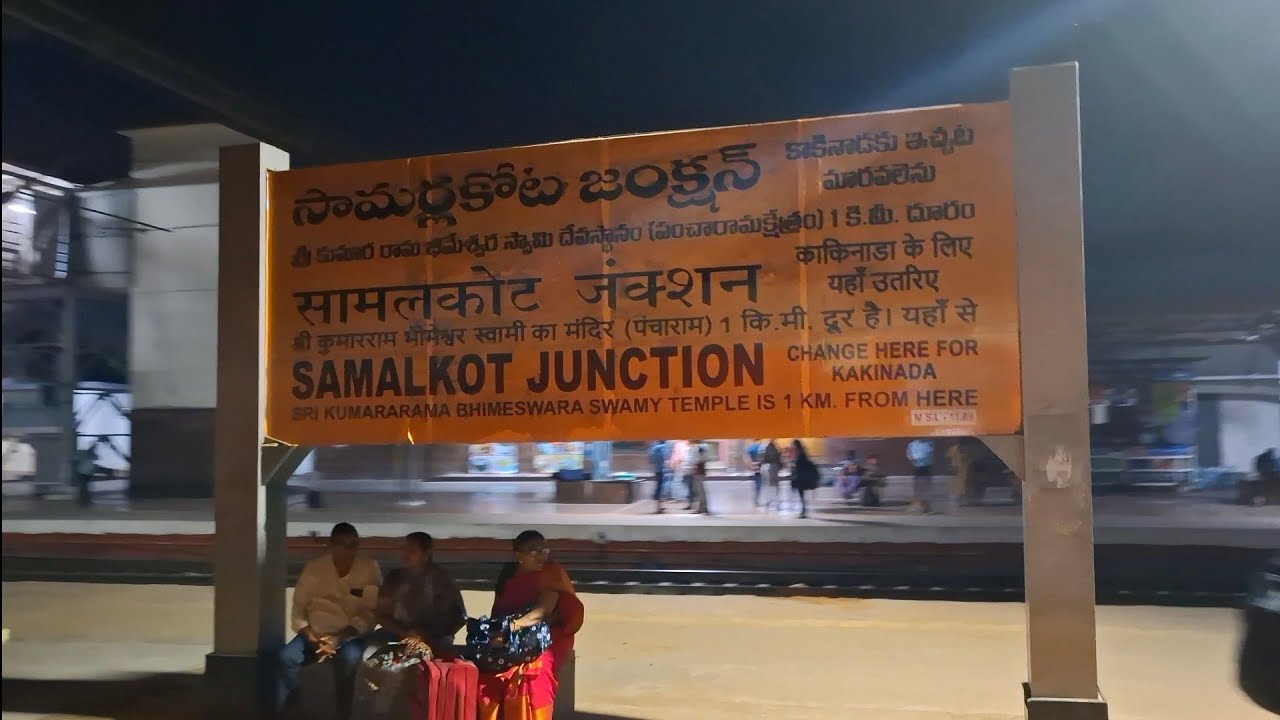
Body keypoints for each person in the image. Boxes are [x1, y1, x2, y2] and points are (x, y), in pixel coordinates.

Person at [277, 522, 382, 714]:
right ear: (333, 545)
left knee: (349, 660)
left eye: (354, 544)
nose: (350, 550)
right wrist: (310, 635)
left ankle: (343, 712)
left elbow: (370, 612)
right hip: (315, 634)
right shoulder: (315, 568)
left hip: (350, 635)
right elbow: (299, 608)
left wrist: (339, 639)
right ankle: (293, 708)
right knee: (286, 658)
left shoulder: (368, 568)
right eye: (344, 544)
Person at [480, 530, 585, 720]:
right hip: (512, 632)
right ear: (519, 555)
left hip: (549, 633)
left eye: (544, 549)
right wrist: (495, 633)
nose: (541, 554)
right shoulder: (508, 574)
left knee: (533, 671)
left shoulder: (551, 572)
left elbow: (542, 612)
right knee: (488, 671)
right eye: (533, 551)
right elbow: (498, 611)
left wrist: (511, 627)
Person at [371, 532, 467, 655]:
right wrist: (405, 632)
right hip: (398, 632)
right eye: (404, 550)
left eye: (412, 551)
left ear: (426, 553)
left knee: (442, 647)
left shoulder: (440, 580)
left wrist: (420, 634)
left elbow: (454, 618)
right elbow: (381, 614)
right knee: (370, 648)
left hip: (433, 636)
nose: (405, 555)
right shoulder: (394, 578)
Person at [790, 440, 820, 519]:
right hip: (802, 478)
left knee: (802, 495)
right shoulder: (801, 453)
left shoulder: (800, 454)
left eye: (793, 445)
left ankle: (803, 511)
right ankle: (803, 511)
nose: (792, 447)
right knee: (801, 496)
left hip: (801, 478)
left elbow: (799, 466)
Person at [906, 438, 935, 513]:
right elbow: (909, 454)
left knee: (925, 487)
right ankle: (918, 505)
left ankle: (925, 506)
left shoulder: (929, 443)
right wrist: (913, 459)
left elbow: (929, 454)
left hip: (925, 467)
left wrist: (916, 459)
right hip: (918, 467)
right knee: (918, 487)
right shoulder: (912, 444)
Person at [686, 439, 711, 514]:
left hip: (699, 471)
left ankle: (704, 508)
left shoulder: (701, 447)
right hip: (698, 471)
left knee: (700, 490)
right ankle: (701, 508)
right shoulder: (700, 446)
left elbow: (699, 459)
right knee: (698, 490)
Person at [759, 439, 783, 511]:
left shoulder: (763, 446)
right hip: (771, 468)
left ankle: (765, 502)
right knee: (773, 485)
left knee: (766, 485)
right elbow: (773, 458)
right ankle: (772, 502)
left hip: (765, 467)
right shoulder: (772, 448)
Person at [649, 441, 670, 514]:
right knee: (661, 488)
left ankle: (659, 505)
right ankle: (659, 506)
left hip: (656, 469)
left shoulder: (654, 447)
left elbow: (651, 459)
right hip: (661, 469)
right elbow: (665, 457)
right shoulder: (663, 447)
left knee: (659, 486)